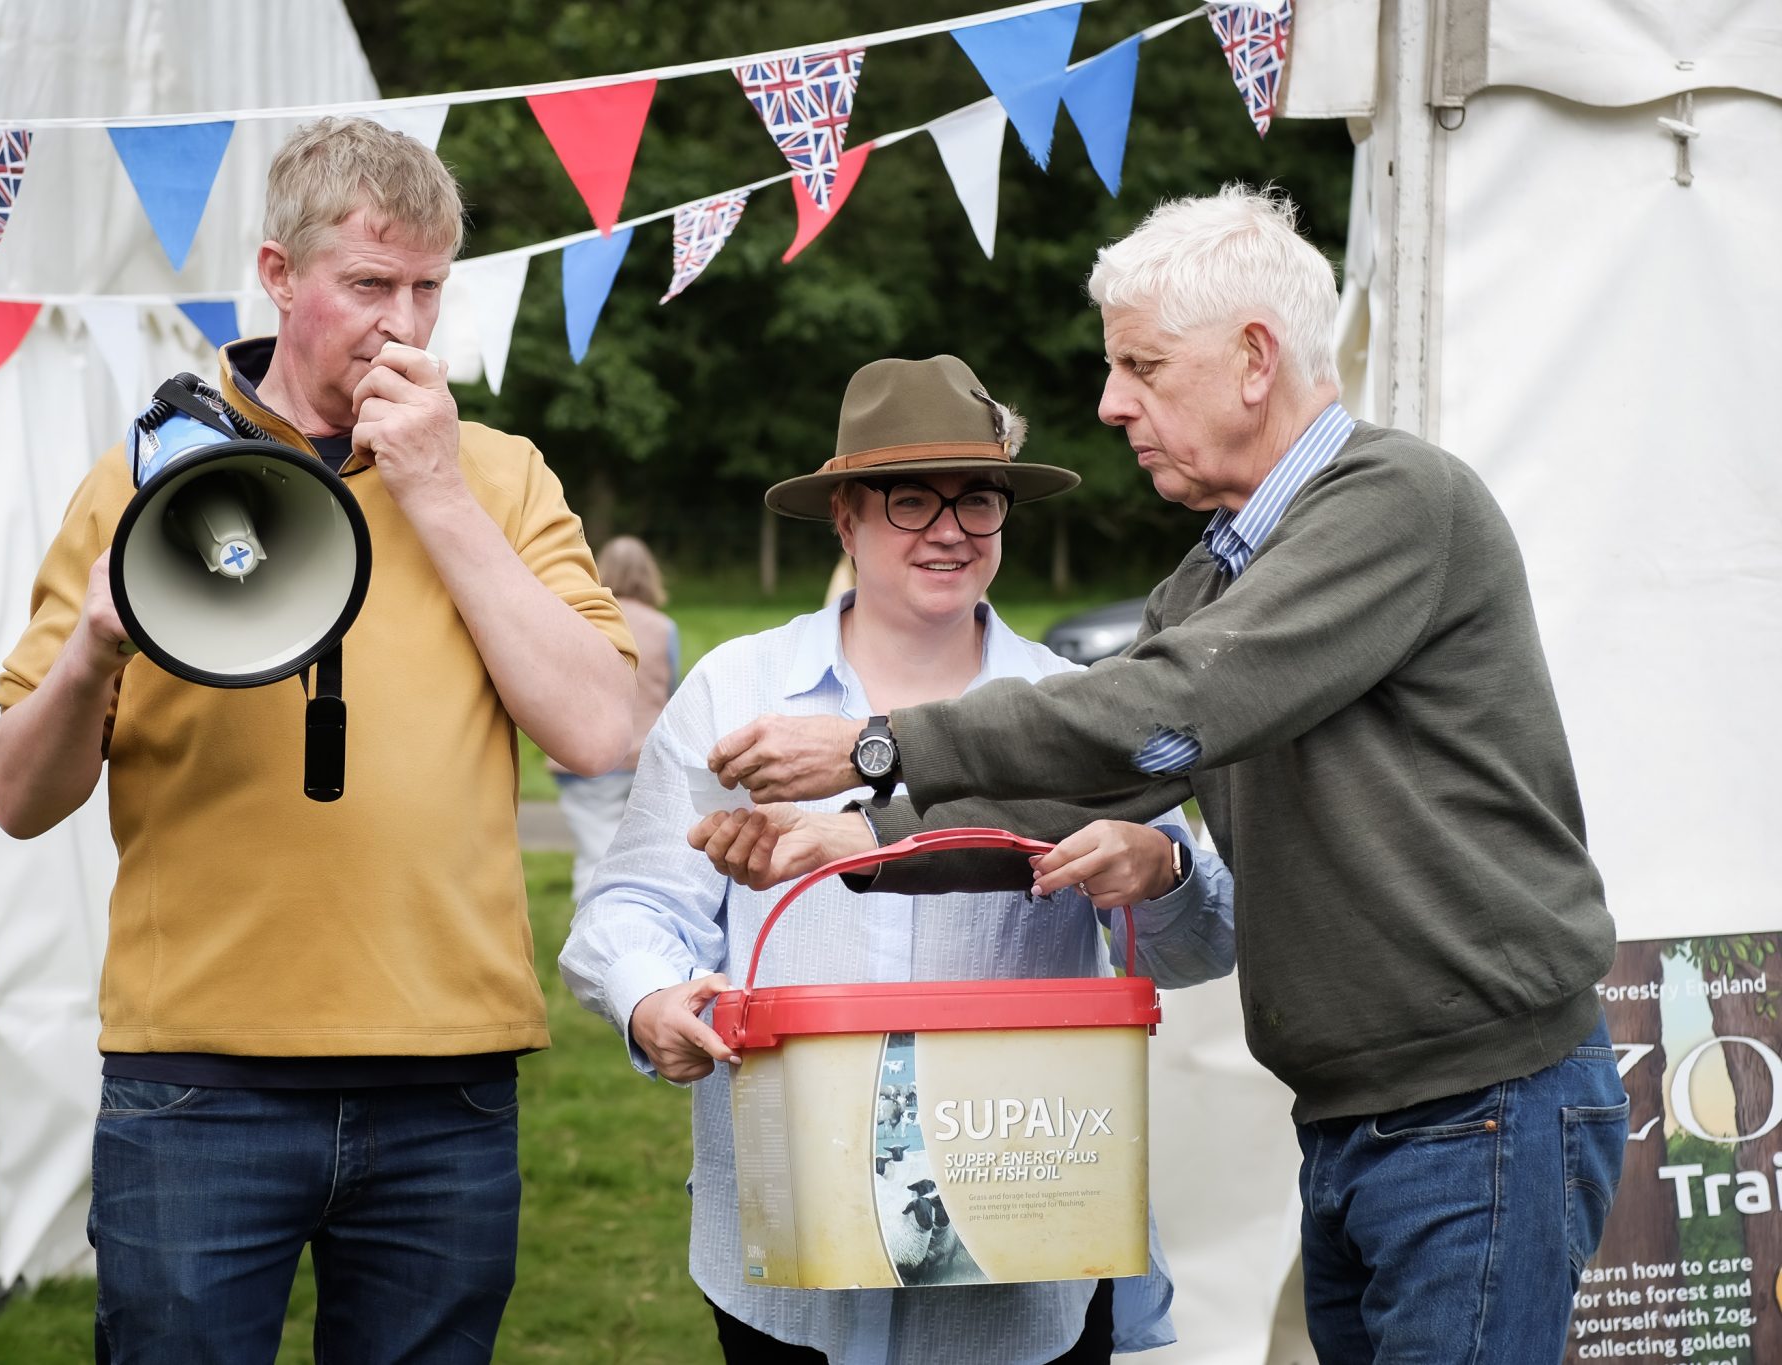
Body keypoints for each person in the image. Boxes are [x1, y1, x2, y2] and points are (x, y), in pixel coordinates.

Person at [694, 187, 1628, 1365]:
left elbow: (1173, 702)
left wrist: (882, 743)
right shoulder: (1215, 576)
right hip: (1372, 1122)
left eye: (1139, 363)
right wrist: (856, 835)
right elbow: (1098, 776)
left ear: (1252, 358)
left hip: (1478, 1106)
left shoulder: (1397, 503)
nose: (1106, 404)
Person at [0, 116, 638, 1362]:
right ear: (279, 276)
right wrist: (93, 653)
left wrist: (437, 492)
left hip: (443, 1074)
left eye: (429, 289)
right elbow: (19, 797)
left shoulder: (496, 476)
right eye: (368, 284)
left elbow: (602, 730)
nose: (403, 324)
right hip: (198, 1083)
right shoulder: (143, 476)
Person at [558, 355, 1236, 1364]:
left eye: (977, 499)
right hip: (787, 1252)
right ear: (845, 519)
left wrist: (1161, 872)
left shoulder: (1071, 705)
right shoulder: (738, 692)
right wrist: (652, 998)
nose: (950, 530)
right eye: (910, 501)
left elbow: (1194, 947)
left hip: (1022, 1248)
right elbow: (634, 906)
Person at [550, 535, 680, 894]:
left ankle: (590, 934)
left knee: (594, 854)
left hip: (583, 756)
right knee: (640, 854)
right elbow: (671, 691)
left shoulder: (578, 621)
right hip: (643, 759)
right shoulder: (663, 628)